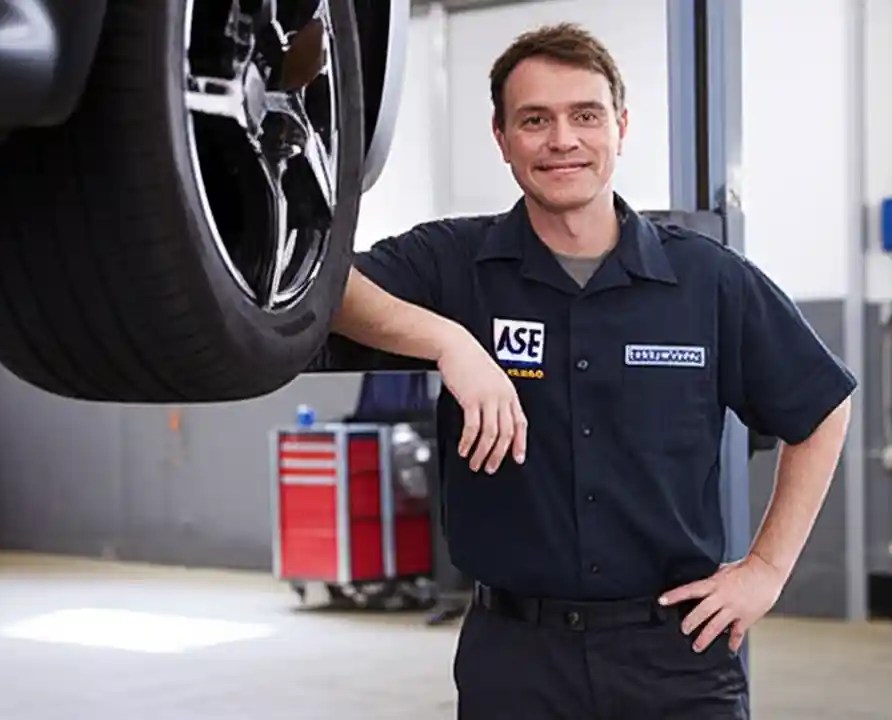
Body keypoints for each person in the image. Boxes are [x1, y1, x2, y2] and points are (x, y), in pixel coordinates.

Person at [329, 22, 855, 720]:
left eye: (585, 115)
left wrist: (767, 569)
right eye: (535, 120)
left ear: (621, 126)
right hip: (514, 660)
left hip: (674, 656)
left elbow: (820, 408)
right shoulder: (456, 264)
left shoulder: (706, 280)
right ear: (502, 137)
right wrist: (449, 342)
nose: (562, 140)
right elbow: (328, 287)